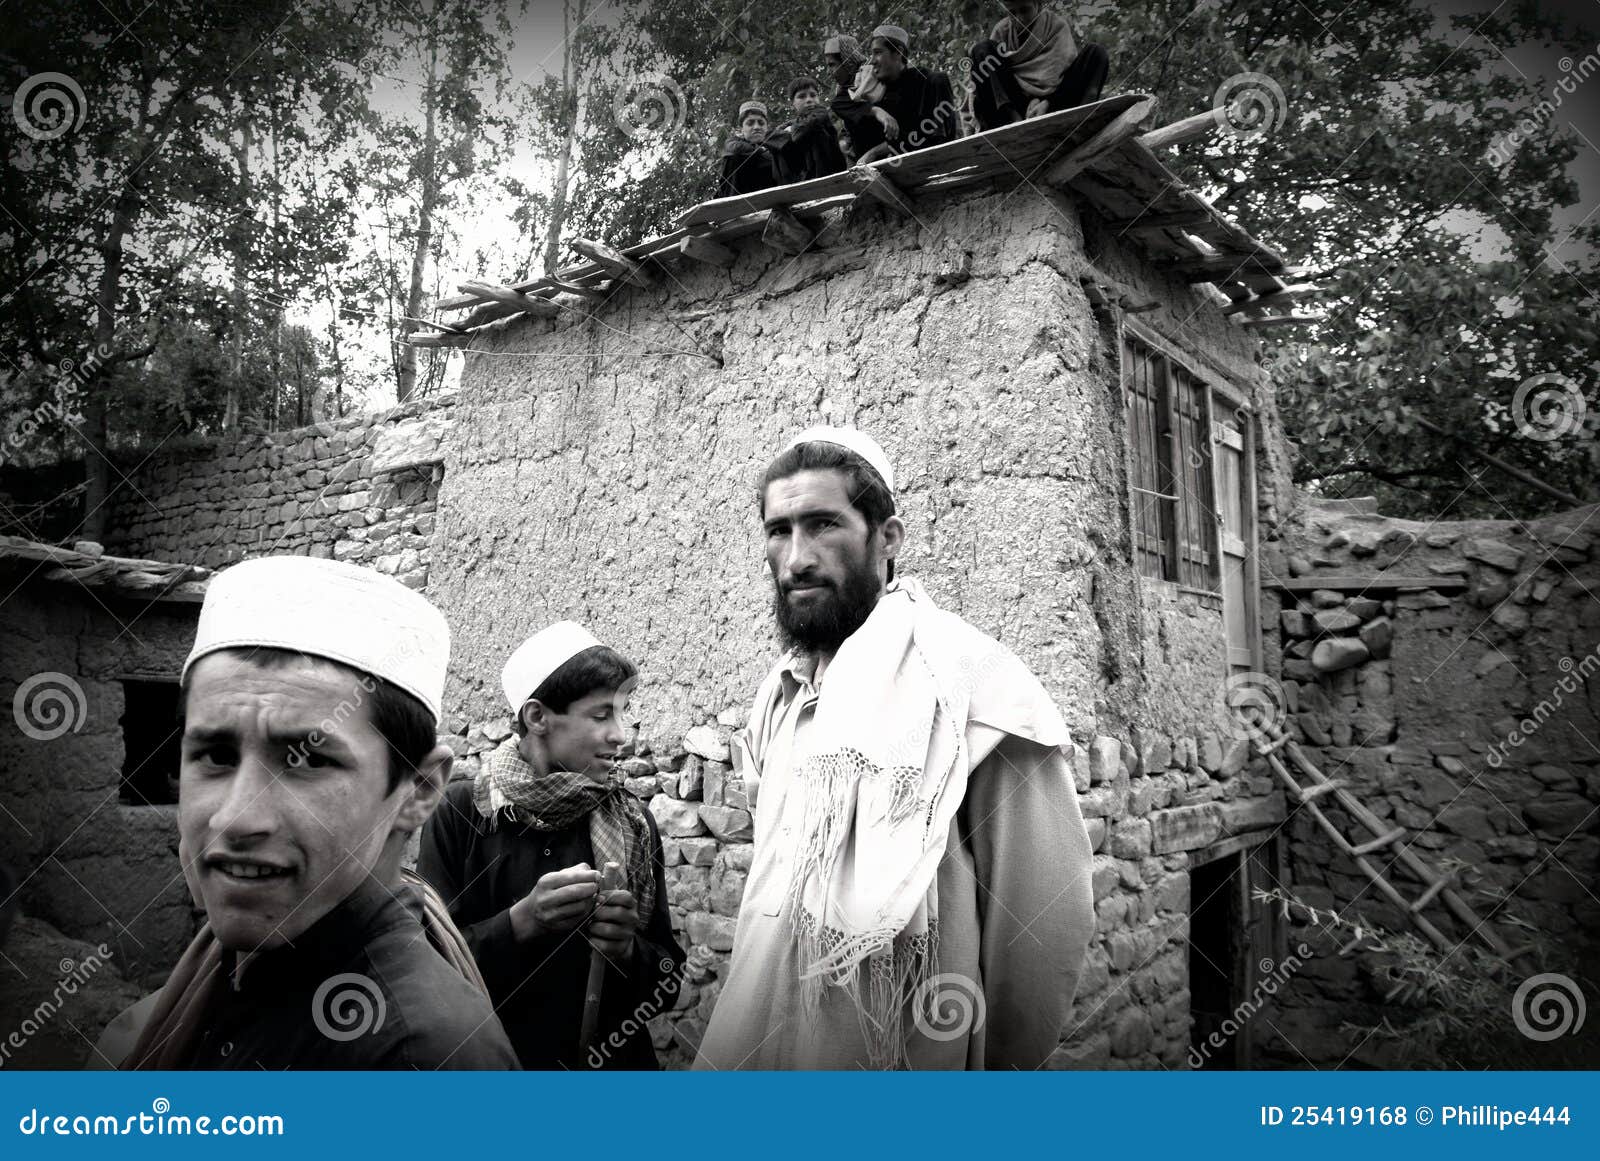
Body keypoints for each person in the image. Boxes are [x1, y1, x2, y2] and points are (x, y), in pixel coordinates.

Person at [694, 428, 1095, 1070]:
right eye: (779, 530)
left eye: (824, 524)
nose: (797, 557)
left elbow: (1043, 924)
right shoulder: (780, 695)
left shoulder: (977, 687)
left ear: (887, 539)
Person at [126, 555, 518, 1070]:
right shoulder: (235, 963)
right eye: (216, 756)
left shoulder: (420, 1059)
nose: (235, 820)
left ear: (418, 790)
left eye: (308, 760)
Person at [418, 622, 685, 1070]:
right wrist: (520, 923)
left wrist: (627, 950)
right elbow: (427, 972)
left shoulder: (633, 821)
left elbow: (668, 982)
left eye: (623, 713)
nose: (621, 734)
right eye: (601, 716)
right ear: (537, 717)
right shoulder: (463, 812)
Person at [969, 1, 1109, 131]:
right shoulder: (1001, 30)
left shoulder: (1056, 26)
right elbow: (994, 84)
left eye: (1024, 10)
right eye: (1012, 13)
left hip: (1054, 104)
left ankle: (1081, 123)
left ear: (1038, 5)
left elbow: (1061, 75)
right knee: (981, 50)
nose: (1019, 19)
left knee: (1096, 53)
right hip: (1014, 110)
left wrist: (1047, 103)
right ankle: (1014, 123)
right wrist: (1016, 110)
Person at [830, 24, 960, 163]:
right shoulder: (873, 84)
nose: (872, 60)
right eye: (871, 54)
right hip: (878, 168)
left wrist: (874, 152)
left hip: (925, 159)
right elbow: (838, 103)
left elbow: (927, 134)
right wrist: (876, 111)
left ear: (898, 52)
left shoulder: (928, 81)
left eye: (878, 52)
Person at [765, 76, 848, 184]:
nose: (809, 100)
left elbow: (800, 132)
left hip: (828, 175)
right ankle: (789, 187)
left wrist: (791, 131)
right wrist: (789, 133)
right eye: (802, 96)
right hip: (802, 177)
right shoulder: (791, 124)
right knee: (776, 144)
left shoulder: (821, 113)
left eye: (813, 95)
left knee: (815, 130)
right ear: (792, 103)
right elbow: (768, 137)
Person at [822, 33, 881, 161]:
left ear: (847, 61)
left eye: (832, 65)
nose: (828, 72)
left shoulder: (877, 79)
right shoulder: (841, 97)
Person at [718, 100, 780, 198]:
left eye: (761, 123)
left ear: (766, 127)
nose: (756, 127)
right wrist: (761, 151)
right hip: (738, 200)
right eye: (750, 123)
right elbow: (735, 149)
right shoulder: (733, 143)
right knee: (733, 158)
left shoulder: (773, 144)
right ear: (741, 129)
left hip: (771, 199)